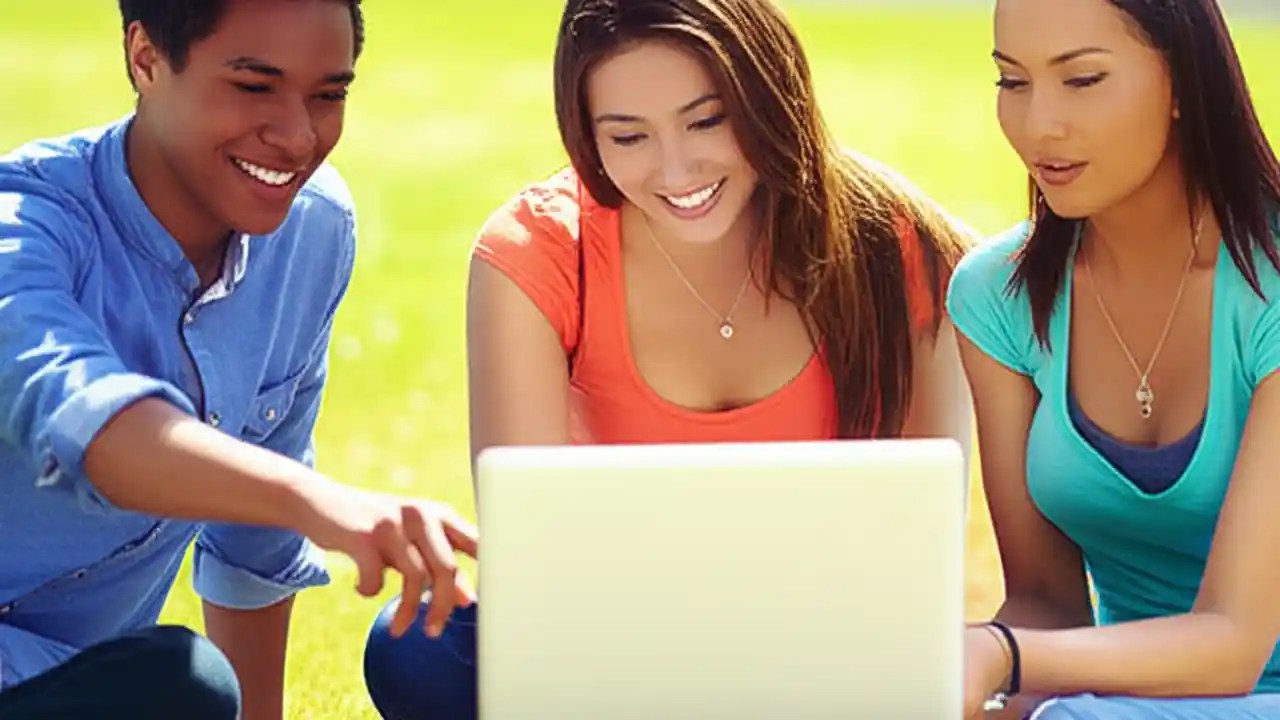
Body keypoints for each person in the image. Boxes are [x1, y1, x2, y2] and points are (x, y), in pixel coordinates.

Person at [362, 0, 978, 717]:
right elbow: (531, 561)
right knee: (419, 646)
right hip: (611, 642)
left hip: (827, 642)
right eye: (628, 136)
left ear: (768, 92)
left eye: (707, 121)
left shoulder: (898, 246)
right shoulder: (535, 255)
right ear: (587, 136)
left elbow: (918, 558)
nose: (677, 169)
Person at [0, 2, 476, 719]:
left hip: (95, 688)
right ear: (145, 58)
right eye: (254, 86)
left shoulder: (310, 229)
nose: (298, 136)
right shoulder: (23, 228)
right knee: (186, 683)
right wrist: (319, 502)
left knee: (181, 688)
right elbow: (93, 426)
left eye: (329, 94)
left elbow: (254, 548)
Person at [949, 0, 1280, 717]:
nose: (1039, 125)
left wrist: (1001, 655)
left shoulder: (1269, 289)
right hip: (1122, 703)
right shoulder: (998, 298)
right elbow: (1047, 604)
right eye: (1013, 82)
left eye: (1083, 80)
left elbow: (1236, 644)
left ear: (1184, 83)